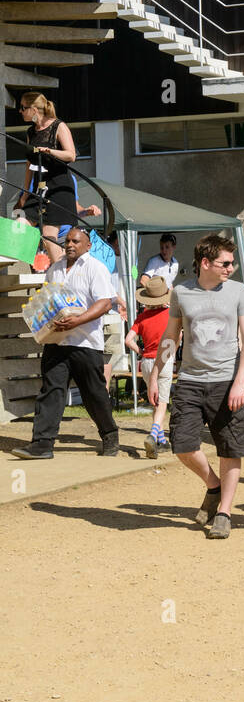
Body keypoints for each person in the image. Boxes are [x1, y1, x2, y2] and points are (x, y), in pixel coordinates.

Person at [151, 235, 244, 539]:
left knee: (229, 446)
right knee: (182, 444)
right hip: (191, 381)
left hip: (227, 381)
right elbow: (171, 337)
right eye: (225, 263)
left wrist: (240, 382)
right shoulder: (181, 292)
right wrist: (157, 372)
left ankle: (224, 511)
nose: (231, 268)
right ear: (206, 263)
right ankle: (214, 485)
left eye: (232, 263)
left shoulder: (238, 292)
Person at [12, 227, 118, 461]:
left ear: (87, 246)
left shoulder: (95, 268)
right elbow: (48, 300)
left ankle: (110, 434)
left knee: (94, 394)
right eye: (67, 240)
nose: (70, 244)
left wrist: (78, 320)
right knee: (51, 391)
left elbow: (105, 303)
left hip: (86, 343)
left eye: (76, 241)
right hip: (57, 342)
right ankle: (42, 444)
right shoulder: (55, 269)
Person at [13, 92, 78, 263]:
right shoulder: (31, 131)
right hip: (39, 188)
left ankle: (62, 277)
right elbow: (29, 165)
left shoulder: (58, 126)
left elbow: (71, 155)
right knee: (20, 223)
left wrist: (50, 151)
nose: (20, 111)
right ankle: (31, 265)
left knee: (49, 236)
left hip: (59, 187)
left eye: (23, 108)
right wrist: (25, 193)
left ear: (34, 109)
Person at [125, 276, 172, 456]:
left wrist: (140, 351)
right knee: (162, 403)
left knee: (154, 401)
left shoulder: (141, 317)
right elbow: (179, 337)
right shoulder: (169, 315)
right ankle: (152, 435)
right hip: (165, 361)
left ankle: (161, 440)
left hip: (145, 362)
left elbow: (128, 340)